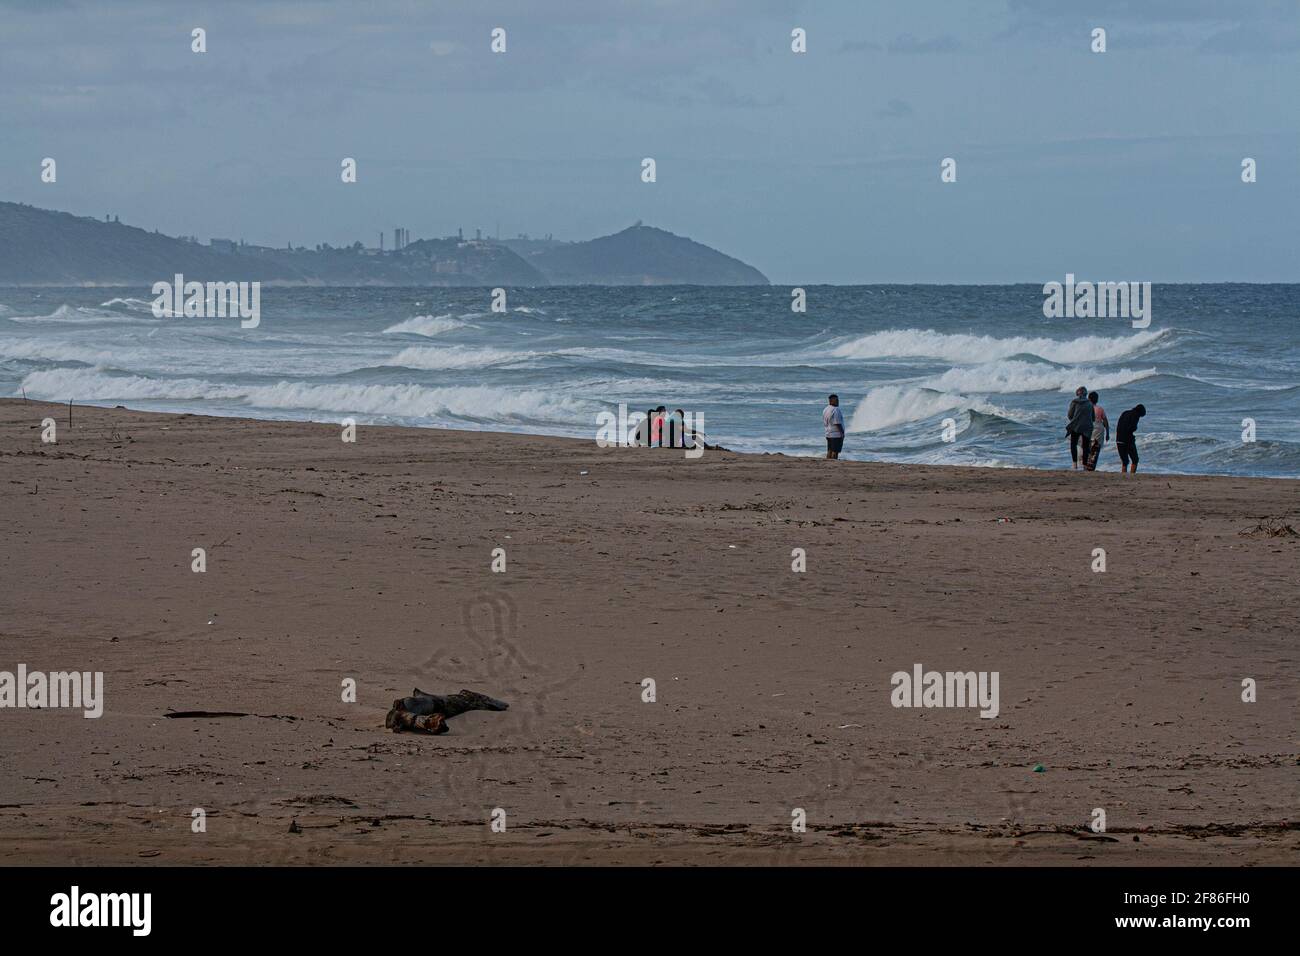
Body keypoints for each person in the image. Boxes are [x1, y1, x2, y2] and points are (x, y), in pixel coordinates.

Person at [1115, 403, 1146, 474]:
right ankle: (1132, 475)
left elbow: (1120, 425)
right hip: (1127, 440)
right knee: (1135, 460)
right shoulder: (1135, 415)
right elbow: (1132, 428)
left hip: (1119, 439)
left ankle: (1124, 476)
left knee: (1124, 461)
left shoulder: (1125, 412)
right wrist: (1135, 429)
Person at [1066, 386, 1090, 469]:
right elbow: (1093, 417)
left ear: (1077, 394)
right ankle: (1085, 464)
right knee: (1086, 445)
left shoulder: (1074, 402)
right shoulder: (1089, 403)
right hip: (1087, 426)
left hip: (1076, 426)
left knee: (1073, 444)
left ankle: (1074, 464)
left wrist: (1075, 419)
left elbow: (1069, 415)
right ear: (1086, 394)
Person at [1084, 390, 1109, 471]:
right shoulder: (1100, 409)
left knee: (1087, 448)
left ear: (1089, 399)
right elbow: (1105, 421)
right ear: (1097, 400)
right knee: (1095, 450)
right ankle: (1091, 467)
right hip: (1098, 430)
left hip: (1088, 429)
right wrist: (1107, 433)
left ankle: (1085, 466)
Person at [823, 394, 845, 459]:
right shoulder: (836, 409)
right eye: (836, 400)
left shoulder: (825, 409)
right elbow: (837, 423)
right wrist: (842, 433)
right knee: (835, 451)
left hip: (828, 433)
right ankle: (834, 463)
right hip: (836, 434)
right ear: (831, 401)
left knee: (829, 450)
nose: (838, 402)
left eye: (838, 400)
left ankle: (828, 463)